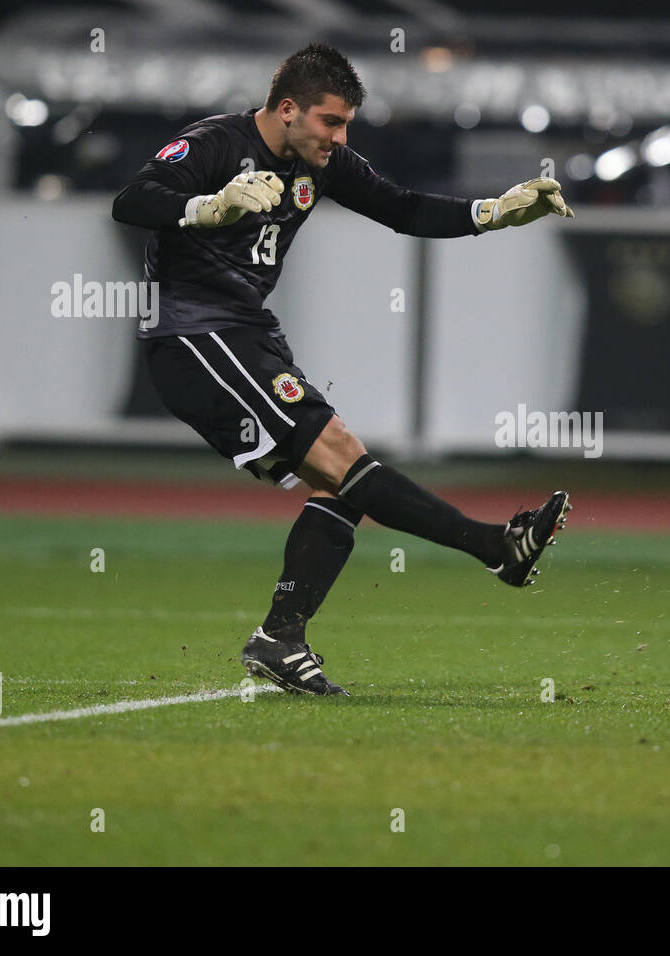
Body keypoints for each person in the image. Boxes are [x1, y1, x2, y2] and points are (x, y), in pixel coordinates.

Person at [112, 43, 572, 696]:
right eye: (331, 121)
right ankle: (497, 547)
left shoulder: (317, 162)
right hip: (194, 336)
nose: (340, 136)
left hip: (248, 335)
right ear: (289, 109)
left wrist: (493, 213)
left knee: (341, 484)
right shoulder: (216, 144)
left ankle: (281, 638)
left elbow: (402, 206)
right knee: (341, 456)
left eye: (347, 123)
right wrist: (208, 205)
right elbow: (132, 199)